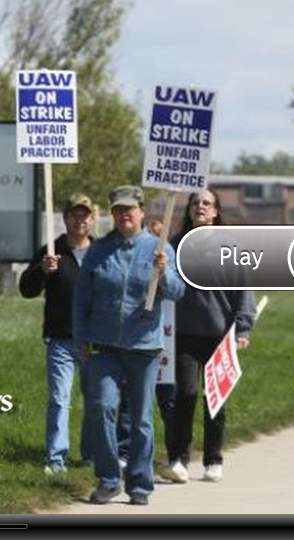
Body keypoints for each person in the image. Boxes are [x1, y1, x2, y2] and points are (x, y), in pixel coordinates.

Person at [73, 186, 185, 506]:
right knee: (101, 406)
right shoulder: (99, 250)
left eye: (130, 209)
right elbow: (81, 299)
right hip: (104, 345)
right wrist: (81, 338)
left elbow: (177, 292)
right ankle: (109, 479)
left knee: (141, 419)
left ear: (142, 212)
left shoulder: (158, 248)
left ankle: (139, 483)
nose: (124, 215)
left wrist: (164, 272)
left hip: (144, 347)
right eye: (118, 210)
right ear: (112, 214)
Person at [162, 189, 256, 484]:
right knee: (185, 394)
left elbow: (243, 288)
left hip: (219, 336)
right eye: (195, 203)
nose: (200, 207)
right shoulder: (174, 245)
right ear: (189, 210)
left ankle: (213, 459)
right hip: (184, 334)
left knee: (215, 399)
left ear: (216, 211)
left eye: (206, 203)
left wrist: (243, 327)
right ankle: (178, 459)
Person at [19, 193, 98, 475]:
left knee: (96, 399)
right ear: (64, 219)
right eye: (75, 215)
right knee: (59, 399)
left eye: (85, 215)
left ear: (92, 220)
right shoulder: (51, 251)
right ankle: (56, 458)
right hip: (60, 339)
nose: (80, 220)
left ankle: (91, 454)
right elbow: (26, 289)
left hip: (95, 340)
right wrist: (42, 270)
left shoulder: (101, 252)